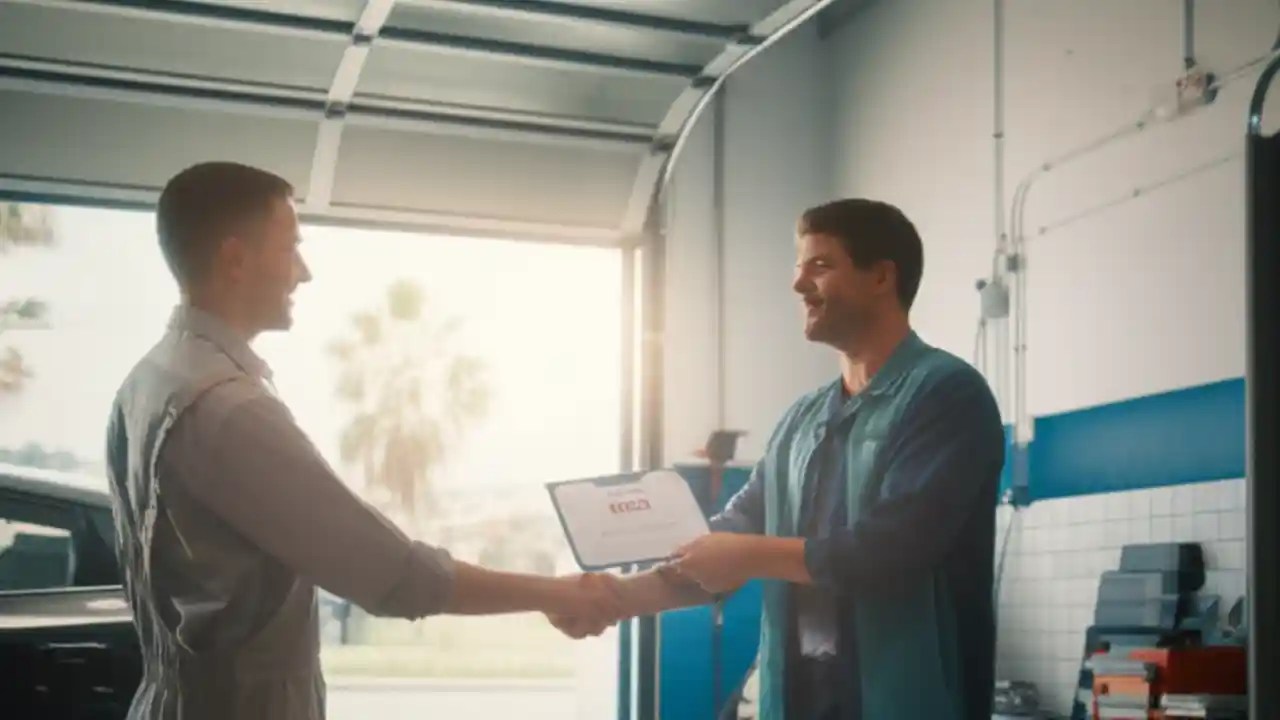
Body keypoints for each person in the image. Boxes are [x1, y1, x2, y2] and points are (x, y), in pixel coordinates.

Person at [103, 161, 622, 720]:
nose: (303, 273)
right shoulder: (230, 409)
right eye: (290, 249)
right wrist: (556, 594)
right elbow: (394, 575)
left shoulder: (148, 382)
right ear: (235, 260)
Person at [549, 199, 1006, 720]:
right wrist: (615, 597)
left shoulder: (945, 394)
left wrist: (743, 554)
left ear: (881, 276)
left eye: (821, 265)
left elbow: (891, 550)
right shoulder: (800, 421)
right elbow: (720, 540)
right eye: (799, 265)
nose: (798, 284)